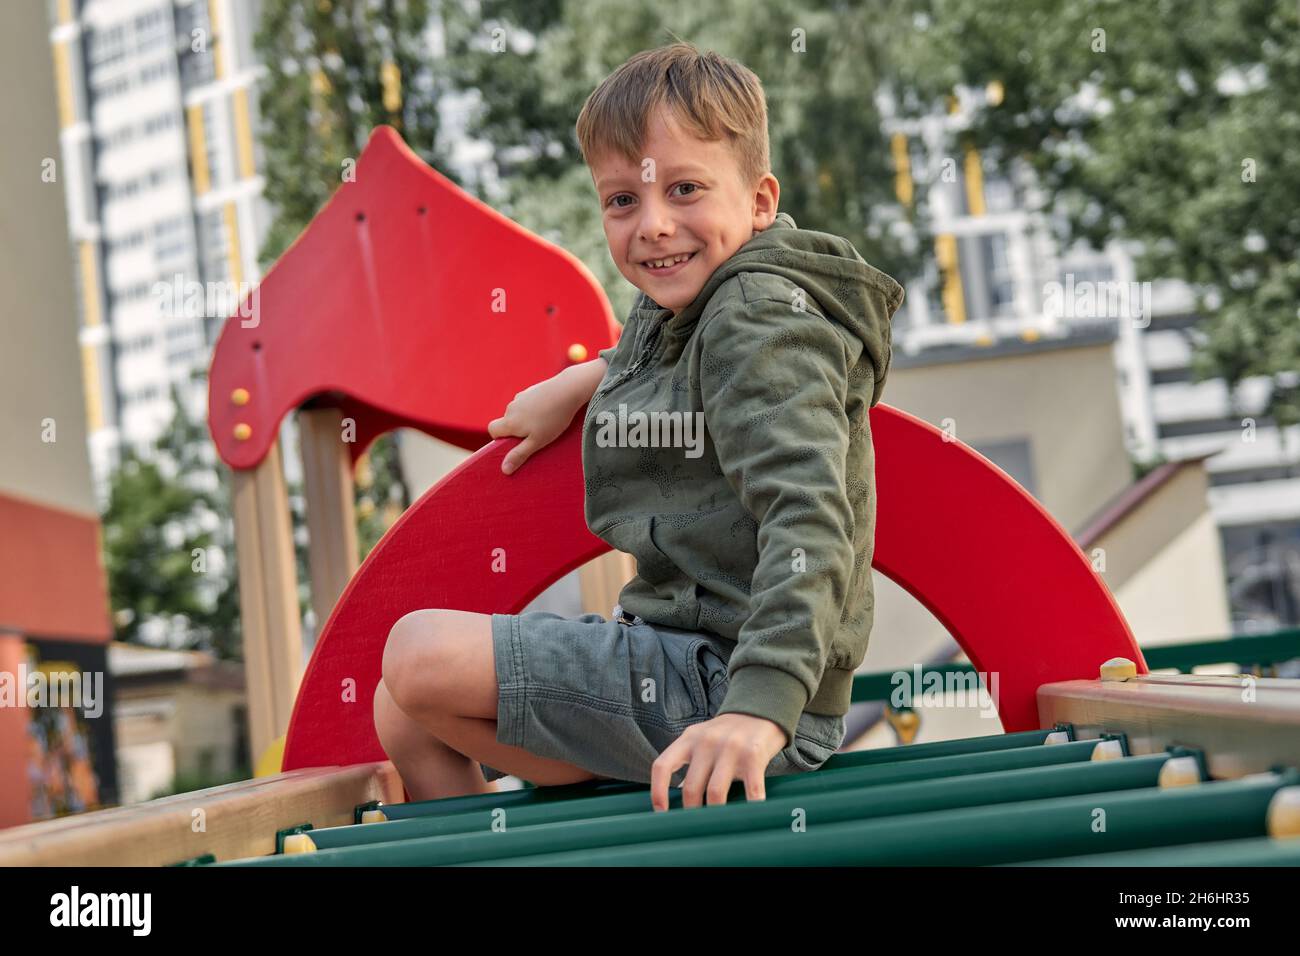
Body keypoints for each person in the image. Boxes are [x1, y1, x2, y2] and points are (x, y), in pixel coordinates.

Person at [374, 41, 904, 812]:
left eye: (685, 189)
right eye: (623, 200)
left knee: (414, 652)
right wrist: (586, 378)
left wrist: (758, 710)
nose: (653, 225)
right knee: (400, 706)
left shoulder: (757, 316)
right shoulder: (698, 300)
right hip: (690, 668)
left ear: (759, 200)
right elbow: (684, 368)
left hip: (732, 689)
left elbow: (812, 519)